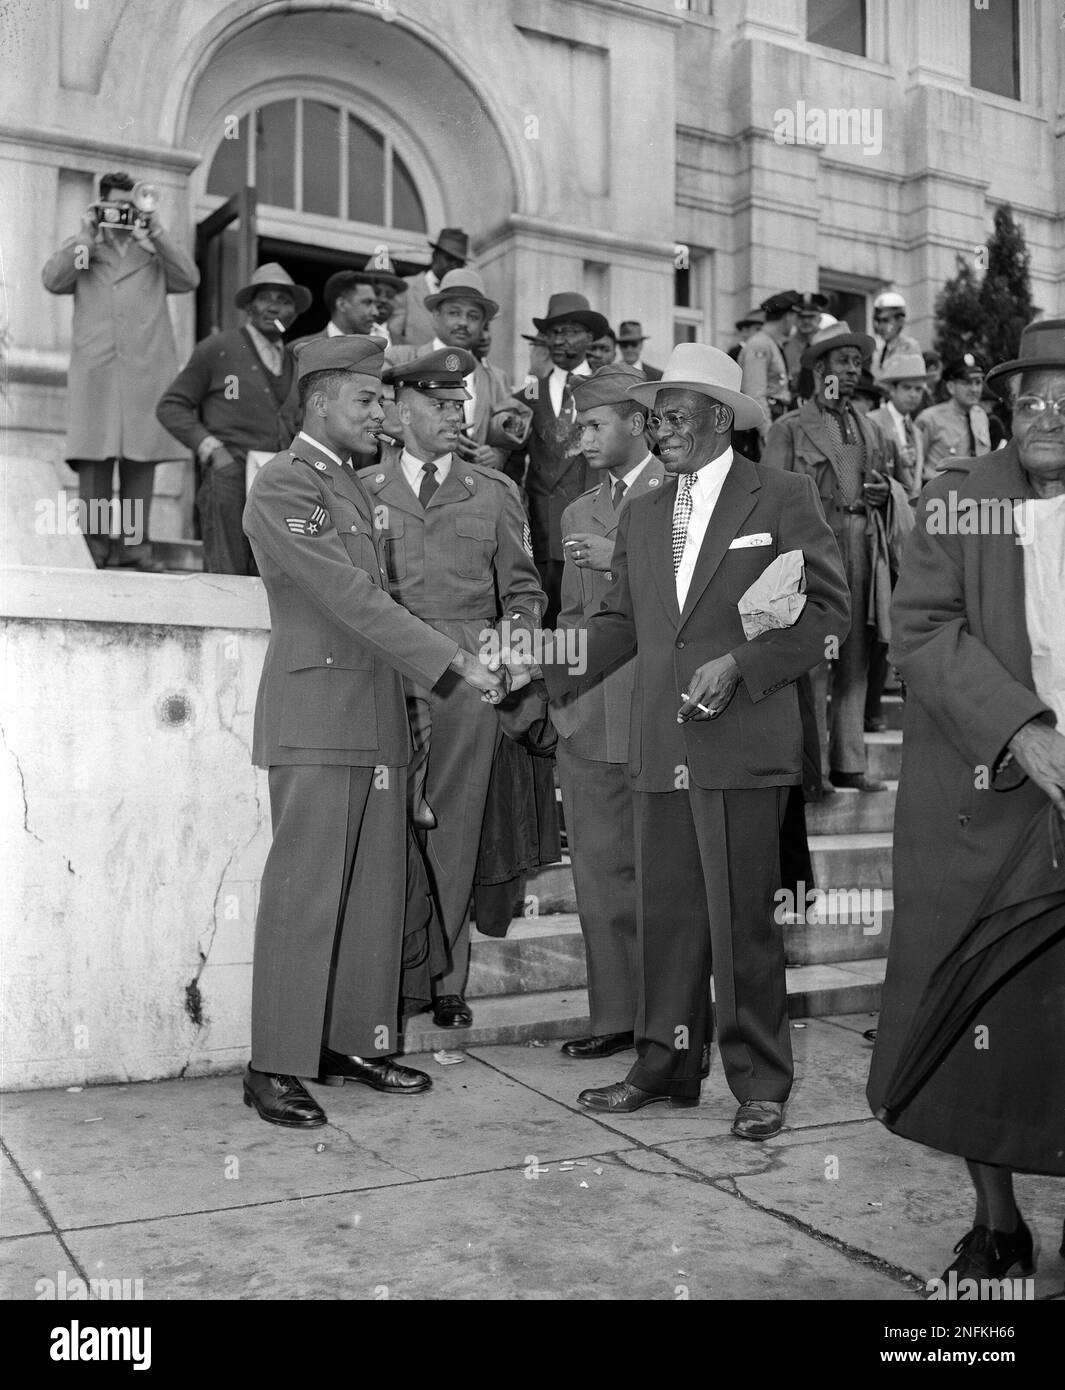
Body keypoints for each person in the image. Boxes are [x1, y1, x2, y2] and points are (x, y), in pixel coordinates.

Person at [541, 343, 850, 1137]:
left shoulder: (779, 495)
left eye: (672, 415)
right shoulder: (642, 511)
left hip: (742, 737)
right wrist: (537, 669)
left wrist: (742, 664)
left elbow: (825, 614)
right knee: (669, 914)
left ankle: (759, 1082)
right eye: (651, 418)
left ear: (719, 417)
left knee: (743, 918)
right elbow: (619, 625)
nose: (659, 431)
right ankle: (664, 1063)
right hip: (659, 743)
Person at [240, 335, 505, 1128]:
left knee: (369, 898)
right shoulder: (286, 483)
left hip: (375, 718)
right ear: (321, 400)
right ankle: (273, 1064)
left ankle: (353, 1040)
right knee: (306, 895)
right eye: (367, 399)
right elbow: (350, 598)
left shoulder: (348, 487)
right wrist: (452, 664)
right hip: (317, 719)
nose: (383, 414)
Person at [868, 316, 1065, 1285]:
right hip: (985, 806)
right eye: (1030, 399)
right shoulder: (957, 503)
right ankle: (998, 1222)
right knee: (976, 1022)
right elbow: (922, 632)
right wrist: (1023, 729)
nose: (1046, 416)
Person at [359, 348, 545, 1029]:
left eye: (459, 402)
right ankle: (394, 969)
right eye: (438, 403)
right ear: (400, 410)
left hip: (468, 681)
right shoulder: (361, 491)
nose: (455, 414)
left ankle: (445, 978)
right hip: (388, 672)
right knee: (386, 825)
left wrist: (510, 651)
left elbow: (522, 590)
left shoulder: (494, 492)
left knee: (457, 828)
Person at [549, 364, 666, 1060]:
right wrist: (559, 699)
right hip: (592, 719)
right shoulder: (576, 511)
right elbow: (570, 616)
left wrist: (621, 557)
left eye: (594, 424)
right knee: (598, 878)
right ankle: (614, 1016)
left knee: (664, 881)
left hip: (660, 717)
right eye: (577, 423)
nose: (580, 437)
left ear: (636, 423)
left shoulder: (682, 495)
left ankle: (668, 1021)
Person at [762, 322, 904, 792]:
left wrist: (887, 493)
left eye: (857, 363)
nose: (851, 371)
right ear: (819, 368)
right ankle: (812, 773)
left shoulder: (870, 427)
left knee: (856, 657)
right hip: (811, 550)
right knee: (812, 659)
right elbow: (765, 499)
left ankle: (850, 764)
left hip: (862, 542)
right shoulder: (789, 428)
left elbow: (899, 483)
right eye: (842, 362)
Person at [42, 171, 199, 570]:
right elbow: (53, 280)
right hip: (98, 374)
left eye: (132, 206)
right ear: (99, 207)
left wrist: (157, 231)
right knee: (95, 465)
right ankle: (94, 551)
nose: (124, 213)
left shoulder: (153, 254)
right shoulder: (85, 249)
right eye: (115, 206)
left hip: (144, 376)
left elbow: (189, 278)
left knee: (138, 464)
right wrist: (85, 235)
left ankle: (134, 551)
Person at [156, 264, 306, 575]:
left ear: (294, 311)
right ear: (250, 307)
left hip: (279, 482)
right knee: (227, 569)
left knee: (276, 573)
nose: (274, 306)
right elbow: (171, 406)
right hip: (229, 475)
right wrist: (213, 451)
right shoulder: (219, 348)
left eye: (283, 299)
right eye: (265, 298)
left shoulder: (297, 360)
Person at [521, 291, 610, 624]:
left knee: (593, 626)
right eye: (554, 332)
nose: (560, 340)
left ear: (590, 336)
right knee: (550, 628)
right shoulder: (528, 394)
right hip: (543, 535)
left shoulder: (607, 389)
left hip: (595, 530)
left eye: (570, 331)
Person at [386, 268, 526, 471]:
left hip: (468, 491)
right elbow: (380, 410)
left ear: (482, 324)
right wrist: (433, 435)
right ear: (435, 316)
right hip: (407, 484)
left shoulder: (496, 378)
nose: (463, 322)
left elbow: (507, 427)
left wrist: (497, 453)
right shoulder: (399, 359)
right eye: (454, 313)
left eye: (473, 316)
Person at [737, 291, 797, 458]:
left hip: (775, 418)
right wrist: (768, 432)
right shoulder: (760, 344)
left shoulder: (770, 343)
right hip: (763, 424)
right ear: (788, 316)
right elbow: (755, 393)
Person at [390, 227, 469, 349]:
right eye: (449, 258)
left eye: (459, 263)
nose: (454, 265)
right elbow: (394, 333)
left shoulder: (462, 299)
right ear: (435, 255)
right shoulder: (407, 287)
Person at [916, 354, 992, 474]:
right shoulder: (930, 418)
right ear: (951, 387)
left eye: (978, 383)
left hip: (975, 489)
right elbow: (916, 465)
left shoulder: (980, 416)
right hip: (942, 490)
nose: (974, 389)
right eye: (967, 383)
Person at [867, 352, 929, 498]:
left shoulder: (916, 430)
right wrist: (897, 460)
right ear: (892, 390)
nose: (913, 394)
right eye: (907, 388)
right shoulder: (872, 421)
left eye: (918, 389)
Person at [292, 269, 379, 347]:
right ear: (341, 304)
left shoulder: (378, 352)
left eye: (375, 304)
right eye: (367, 303)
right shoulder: (301, 349)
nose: (375, 312)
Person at [782, 291, 828, 401]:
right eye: (801, 317)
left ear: (819, 319)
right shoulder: (784, 346)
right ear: (794, 318)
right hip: (792, 404)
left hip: (823, 403)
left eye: (811, 316)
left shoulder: (829, 344)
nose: (806, 321)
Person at [871, 291, 922, 381]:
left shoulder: (909, 346)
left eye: (886, 321)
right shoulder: (879, 351)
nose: (881, 327)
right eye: (878, 321)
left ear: (900, 321)